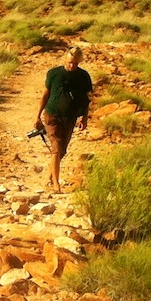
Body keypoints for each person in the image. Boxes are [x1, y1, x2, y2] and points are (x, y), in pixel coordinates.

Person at [35, 46, 93, 193]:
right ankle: (56, 184)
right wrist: (37, 116)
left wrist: (84, 118)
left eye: (75, 63)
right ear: (65, 59)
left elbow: (86, 100)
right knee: (56, 146)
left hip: (70, 117)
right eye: (69, 62)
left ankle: (50, 177)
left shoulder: (83, 76)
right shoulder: (54, 74)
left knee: (62, 150)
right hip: (52, 114)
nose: (72, 65)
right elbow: (45, 96)